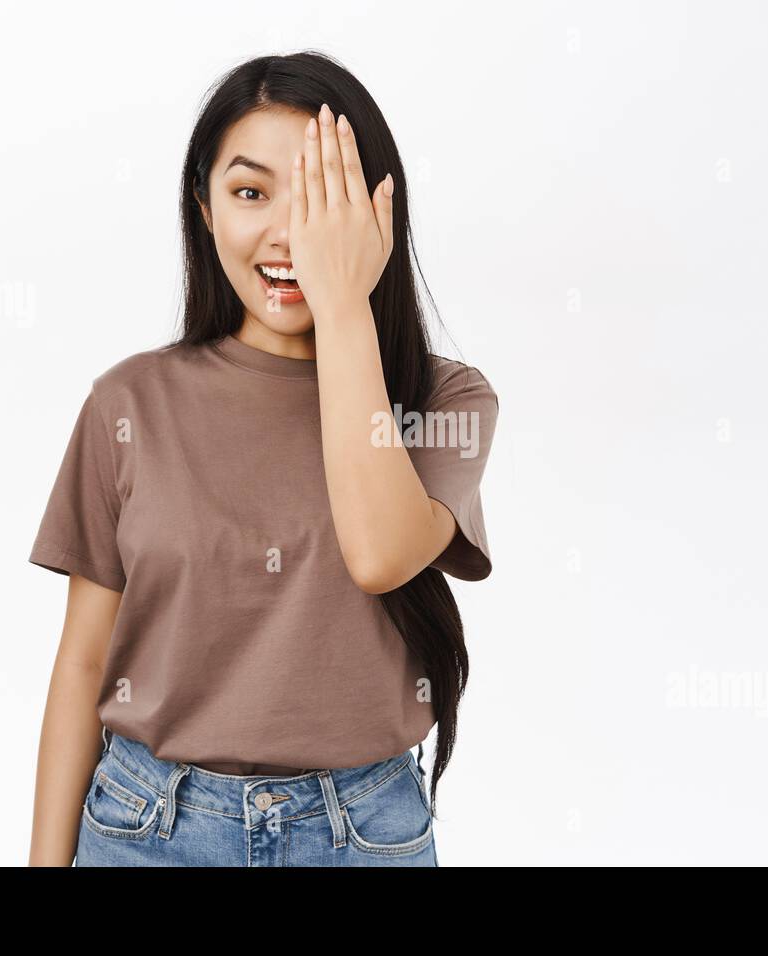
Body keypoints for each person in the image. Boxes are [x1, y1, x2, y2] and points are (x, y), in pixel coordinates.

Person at [25, 52, 499, 867]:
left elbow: (380, 553)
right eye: (251, 192)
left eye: (321, 199)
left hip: (363, 834)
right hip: (147, 830)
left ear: (376, 217)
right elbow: (83, 662)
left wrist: (344, 303)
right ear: (204, 208)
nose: (289, 234)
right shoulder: (129, 404)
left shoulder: (443, 402)